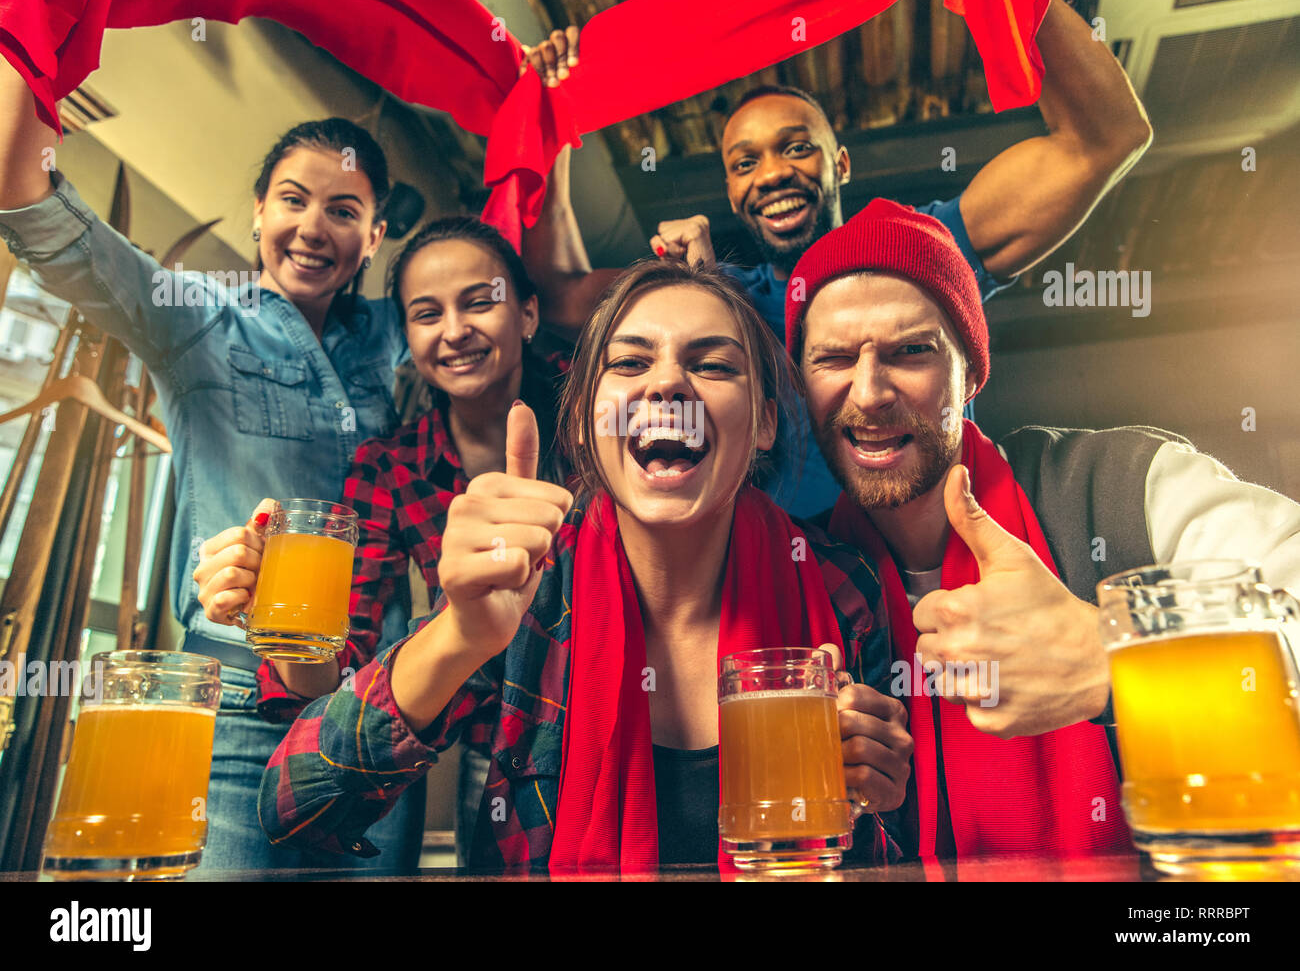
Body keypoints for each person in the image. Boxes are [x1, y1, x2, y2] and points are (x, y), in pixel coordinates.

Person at [0, 44, 581, 870]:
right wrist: (28, 26)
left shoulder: (396, 332)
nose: (314, 226)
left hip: (376, 710)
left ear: (375, 235)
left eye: (345, 210)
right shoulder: (193, 316)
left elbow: (499, 282)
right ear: (257, 214)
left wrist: (539, 107)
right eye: (293, 200)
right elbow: (32, 209)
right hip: (237, 707)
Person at [258, 260, 914, 869]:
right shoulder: (531, 585)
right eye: (629, 362)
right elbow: (294, 804)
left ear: (766, 423)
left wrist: (874, 785)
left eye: (712, 365)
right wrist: (460, 638)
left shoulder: (841, 585)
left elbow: (890, 843)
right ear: (582, 425)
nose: (666, 382)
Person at [782, 197, 1300, 860]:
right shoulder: (804, 574)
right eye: (832, 359)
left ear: (970, 372)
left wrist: (1114, 659)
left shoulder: (1121, 485)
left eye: (911, 351)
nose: (869, 391)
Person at [528, 0, 1153, 517]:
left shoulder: (914, 253)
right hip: (788, 601)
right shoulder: (723, 296)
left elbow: (1104, 138)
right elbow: (553, 295)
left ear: (841, 164)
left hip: (920, 569)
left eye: (796, 148)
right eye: (746, 162)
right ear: (729, 187)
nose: (771, 173)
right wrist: (548, 113)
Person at [195, 215, 570, 864]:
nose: (454, 330)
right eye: (427, 313)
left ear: (529, 314)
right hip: (505, 751)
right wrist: (284, 622)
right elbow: (335, 672)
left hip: (641, 714)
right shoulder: (390, 465)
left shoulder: (604, 402)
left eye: (480, 301)